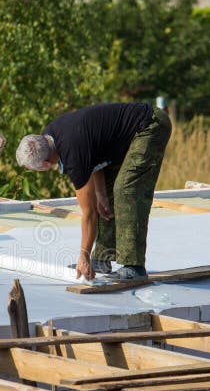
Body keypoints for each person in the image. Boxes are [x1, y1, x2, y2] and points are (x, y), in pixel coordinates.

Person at [16, 102, 171, 281]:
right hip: (128, 135)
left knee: (126, 189)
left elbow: (89, 214)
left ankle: (134, 266)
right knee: (106, 197)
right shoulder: (50, 136)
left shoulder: (73, 155)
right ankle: (102, 258)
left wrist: (83, 255)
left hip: (150, 124)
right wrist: (101, 193)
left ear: (45, 164)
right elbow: (93, 155)